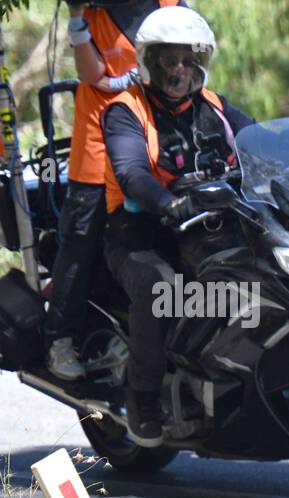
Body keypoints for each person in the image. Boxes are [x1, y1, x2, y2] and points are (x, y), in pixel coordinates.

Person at [100, 5, 255, 445]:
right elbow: (132, 173)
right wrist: (169, 204)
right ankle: (143, 398)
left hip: (212, 225)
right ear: (150, 62)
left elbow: (261, 139)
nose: (180, 70)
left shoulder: (214, 107)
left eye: (188, 60)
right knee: (161, 289)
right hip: (141, 235)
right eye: (170, 60)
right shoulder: (125, 110)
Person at [45, 0, 184, 380]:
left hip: (157, 142)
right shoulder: (95, 11)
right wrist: (76, 18)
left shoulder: (170, 5)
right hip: (99, 143)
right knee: (81, 240)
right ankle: (60, 340)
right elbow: (92, 75)